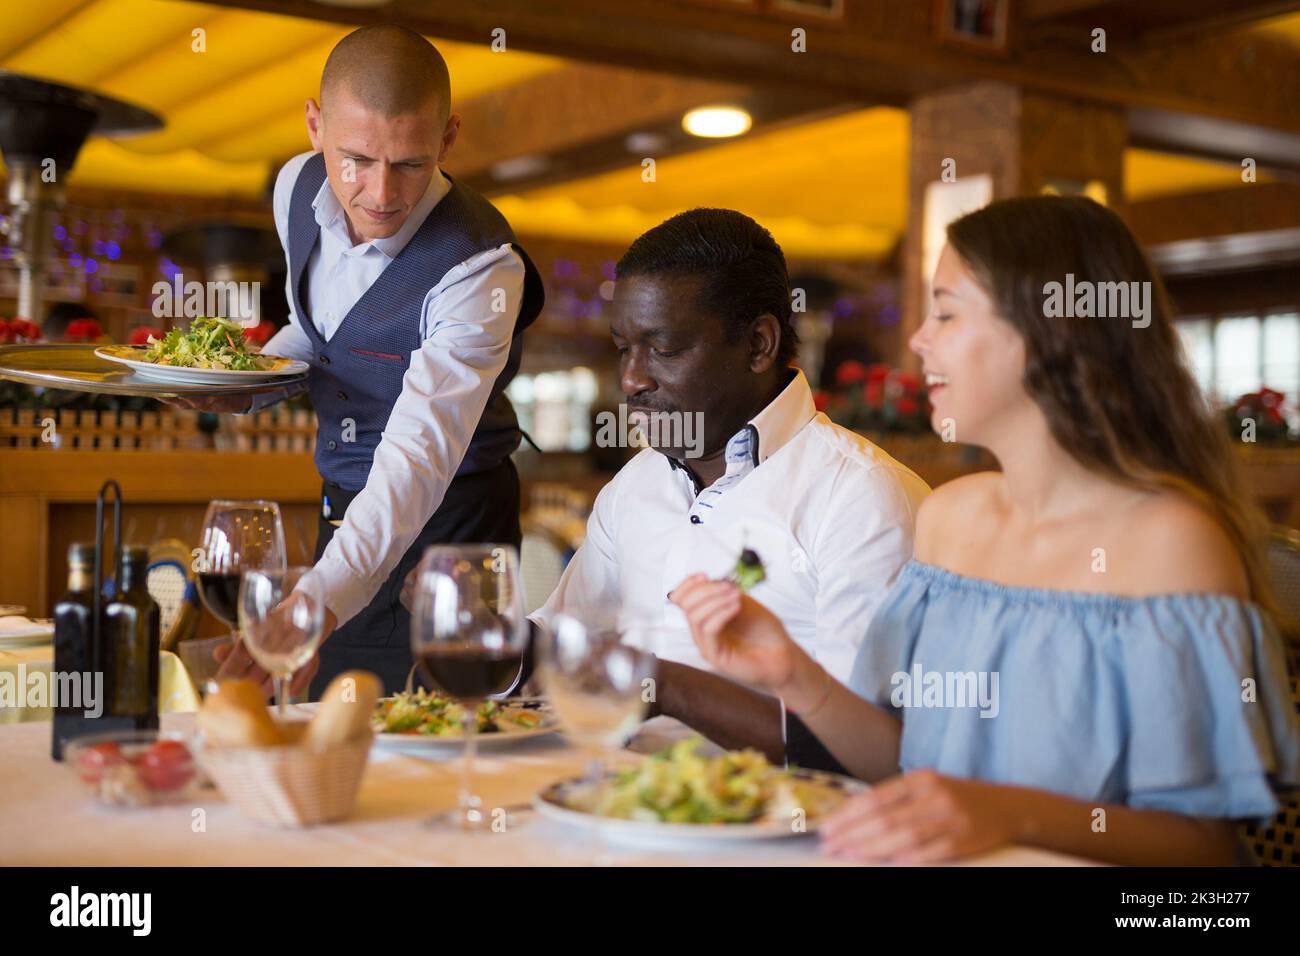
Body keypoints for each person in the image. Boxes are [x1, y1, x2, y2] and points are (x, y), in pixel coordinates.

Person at [671, 195, 1300, 865]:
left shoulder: (1171, 540)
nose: (917, 339)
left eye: (945, 311)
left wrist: (1003, 812)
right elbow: (901, 765)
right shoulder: (950, 518)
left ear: (1048, 332)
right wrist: (792, 674)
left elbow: (1201, 848)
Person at [202, 25, 544, 695]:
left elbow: (420, 453)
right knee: (337, 716)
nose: (381, 193)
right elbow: (318, 328)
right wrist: (245, 384)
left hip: (456, 529)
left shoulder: (480, 268)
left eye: (411, 163)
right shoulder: (295, 190)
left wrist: (322, 597)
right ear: (313, 126)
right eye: (356, 157)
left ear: (447, 140)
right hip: (344, 508)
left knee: (439, 733)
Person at [526, 208, 928, 744]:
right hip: (615, 796)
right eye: (624, 349)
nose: (631, 379)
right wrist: (490, 639)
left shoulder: (863, 496)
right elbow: (563, 650)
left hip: (784, 817)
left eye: (663, 350)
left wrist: (662, 686)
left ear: (759, 344)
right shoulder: (634, 484)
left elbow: (870, 747)